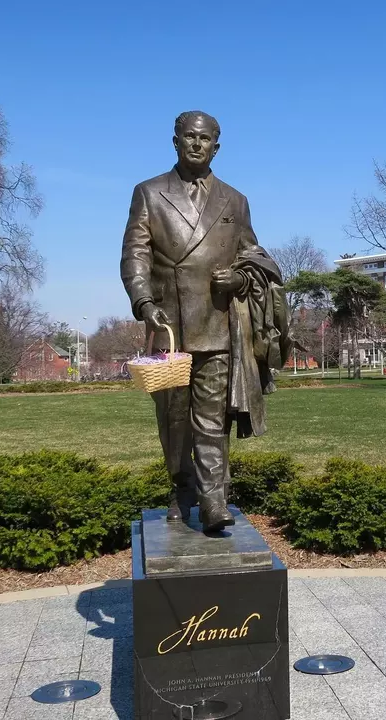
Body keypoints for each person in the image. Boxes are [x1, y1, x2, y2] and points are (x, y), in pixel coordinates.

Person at [121, 111, 288, 530]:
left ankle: (215, 500)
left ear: (217, 145)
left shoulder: (235, 200)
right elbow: (135, 254)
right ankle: (182, 490)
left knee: (211, 421)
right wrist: (143, 301)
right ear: (175, 141)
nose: (197, 144)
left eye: (205, 138)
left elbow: (254, 257)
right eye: (189, 137)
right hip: (170, 328)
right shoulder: (150, 192)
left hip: (217, 325)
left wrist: (240, 277)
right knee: (175, 423)